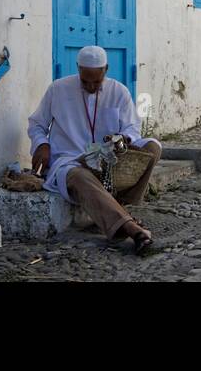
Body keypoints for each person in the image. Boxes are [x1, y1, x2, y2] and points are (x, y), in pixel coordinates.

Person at [28, 46, 161, 254]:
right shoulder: (58, 89)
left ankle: (122, 206)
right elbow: (37, 124)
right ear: (78, 69)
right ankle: (131, 228)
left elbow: (132, 128)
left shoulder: (119, 91)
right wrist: (41, 144)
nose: (90, 86)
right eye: (85, 81)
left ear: (106, 70)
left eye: (96, 82)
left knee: (152, 147)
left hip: (108, 160)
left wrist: (124, 138)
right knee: (78, 176)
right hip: (70, 160)